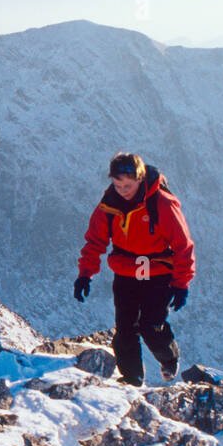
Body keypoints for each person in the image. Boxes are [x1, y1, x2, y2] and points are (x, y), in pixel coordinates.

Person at [72, 152, 196, 386]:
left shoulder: (161, 204)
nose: (122, 191)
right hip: (126, 272)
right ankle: (132, 379)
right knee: (125, 330)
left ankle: (169, 357)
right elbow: (95, 241)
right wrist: (85, 274)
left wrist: (181, 284)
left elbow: (183, 245)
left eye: (127, 185)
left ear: (140, 179)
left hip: (158, 273)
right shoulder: (109, 204)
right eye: (117, 185)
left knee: (151, 326)